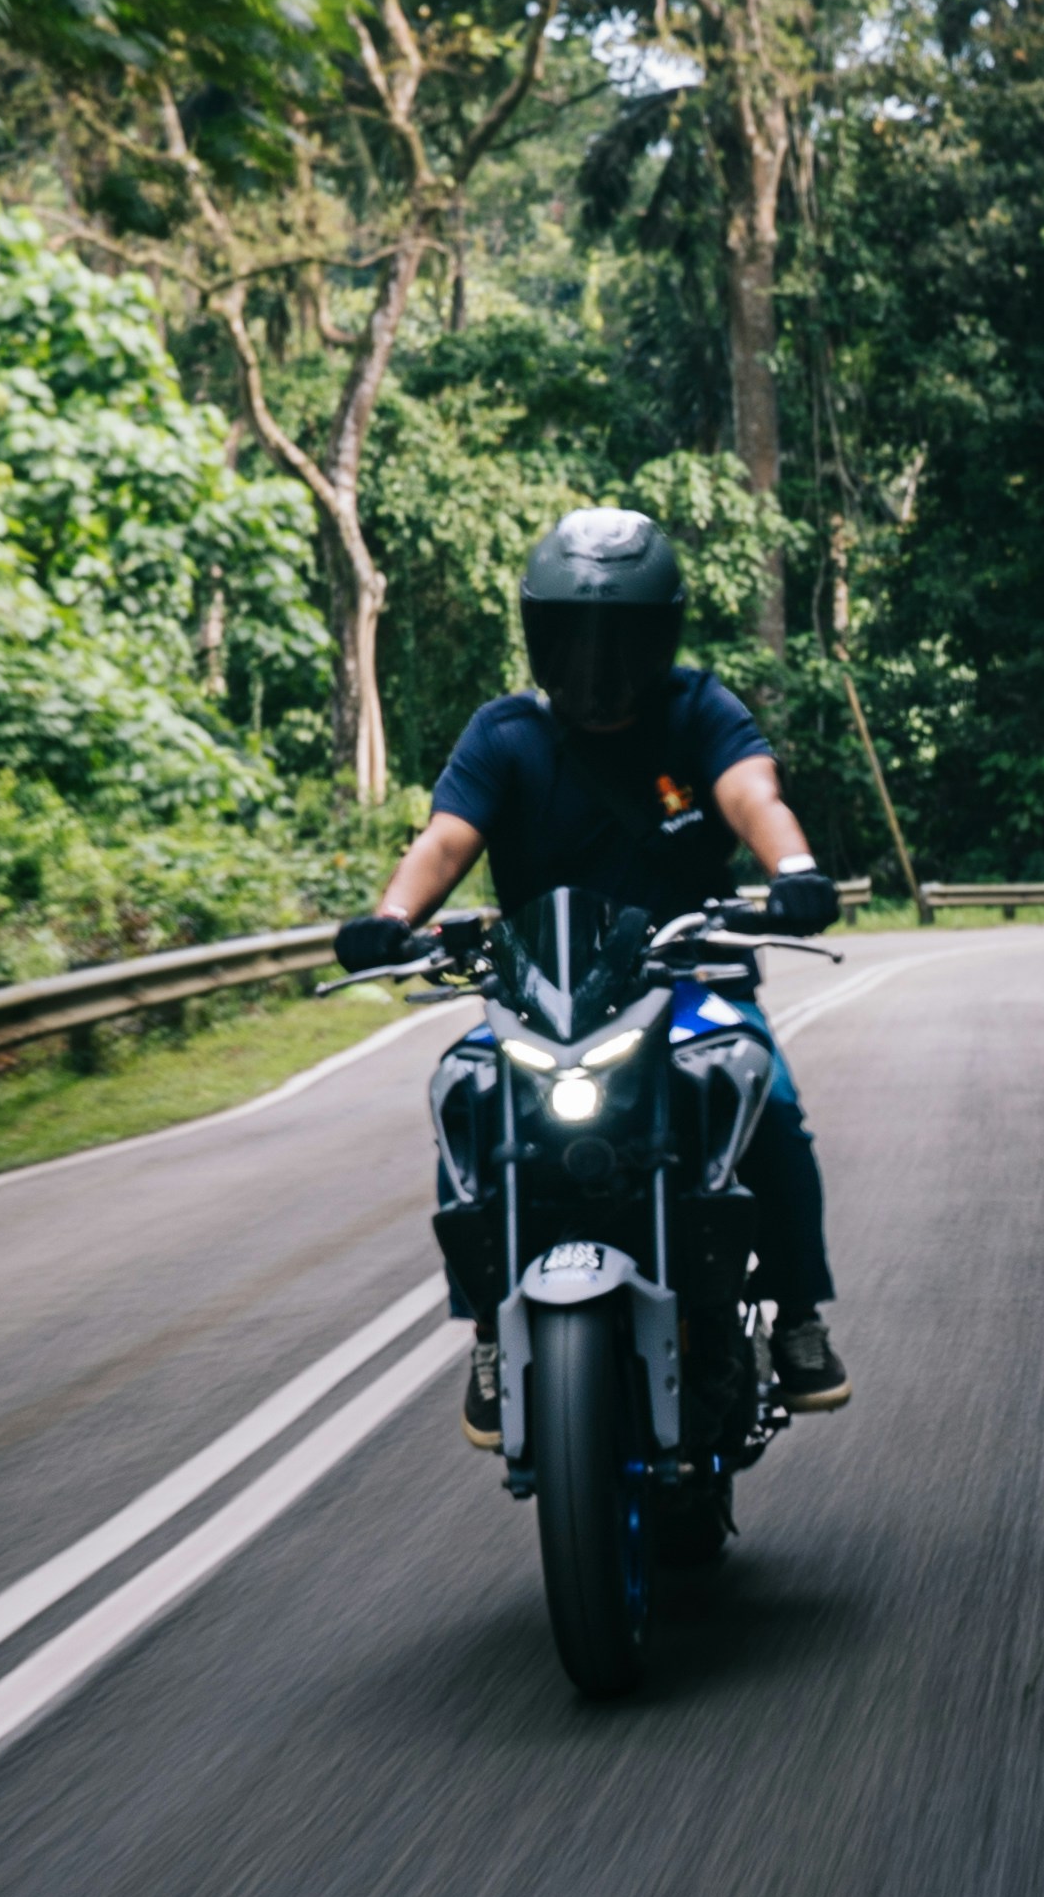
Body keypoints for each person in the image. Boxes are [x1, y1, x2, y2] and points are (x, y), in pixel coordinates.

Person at [338, 507, 852, 1447]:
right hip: (540, 992)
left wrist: (794, 870)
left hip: (691, 980)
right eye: (575, 633)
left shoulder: (699, 711)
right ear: (541, 632)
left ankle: (797, 1316)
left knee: (769, 1106)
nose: (596, 658)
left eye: (619, 635)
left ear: (661, 635)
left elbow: (752, 794)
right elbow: (446, 838)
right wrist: (391, 917)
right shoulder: (505, 734)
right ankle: (488, 1328)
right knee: (467, 1101)